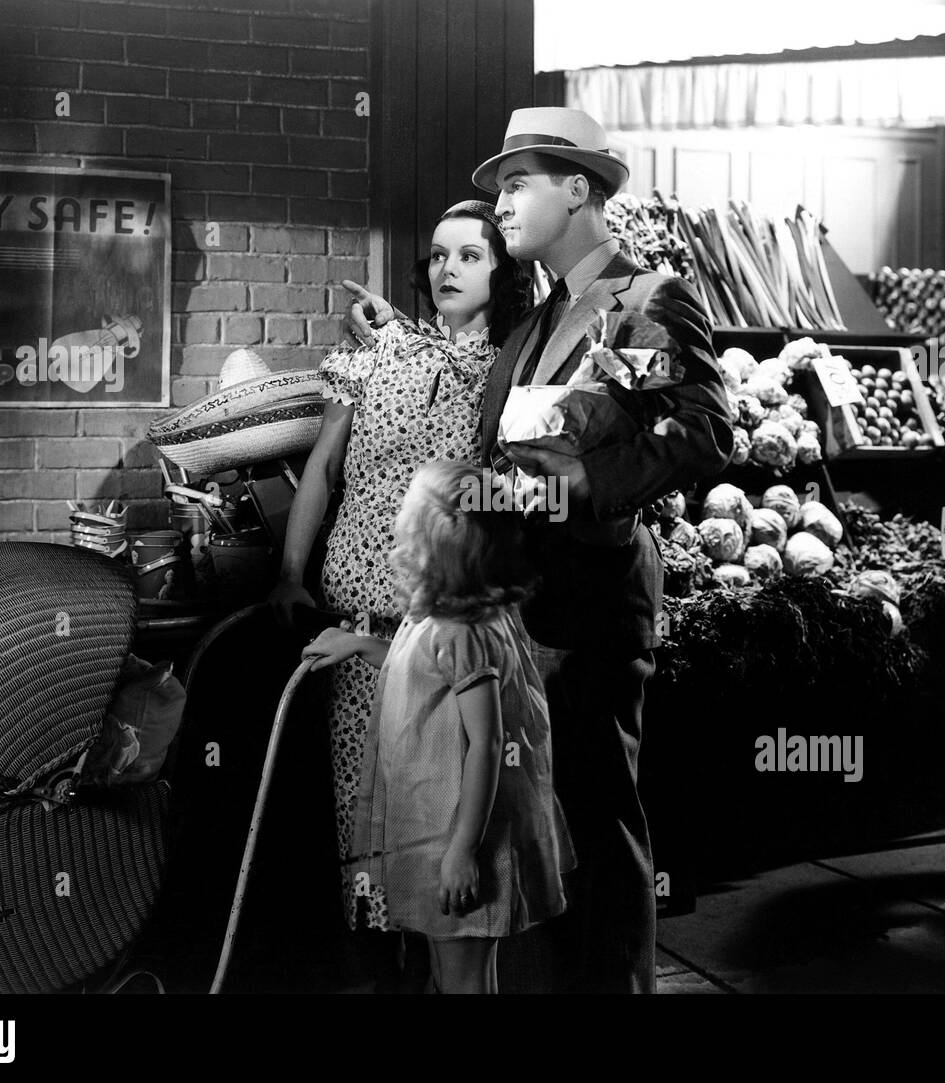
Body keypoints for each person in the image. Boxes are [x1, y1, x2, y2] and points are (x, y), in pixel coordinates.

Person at [340, 107, 736, 993]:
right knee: (533, 825)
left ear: (579, 189)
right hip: (517, 611)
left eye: (518, 184)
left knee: (598, 818)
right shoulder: (529, 329)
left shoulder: (647, 300)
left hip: (595, 604)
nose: (502, 204)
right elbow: (499, 465)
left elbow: (703, 434)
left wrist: (571, 487)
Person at [268, 201, 533, 952]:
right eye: (438, 255)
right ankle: (385, 964)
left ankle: (443, 960)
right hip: (353, 630)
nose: (446, 268)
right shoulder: (381, 351)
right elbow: (321, 467)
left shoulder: (511, 373)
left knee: (438, 809)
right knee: (366, 821)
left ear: (505, 272)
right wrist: (292, 572)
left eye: (470, 256)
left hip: (440, 636)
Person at [298, 460, 574, 994]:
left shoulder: (464, 628)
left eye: (410, 510)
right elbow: (422, 671)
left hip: (462, 835)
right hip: (433, 827)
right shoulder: (441, 614)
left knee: (465, 980)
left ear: (439, 538)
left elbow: (488, 744)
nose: (400, 518)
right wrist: (358, 645)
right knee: (454, 975)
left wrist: (462, 852)